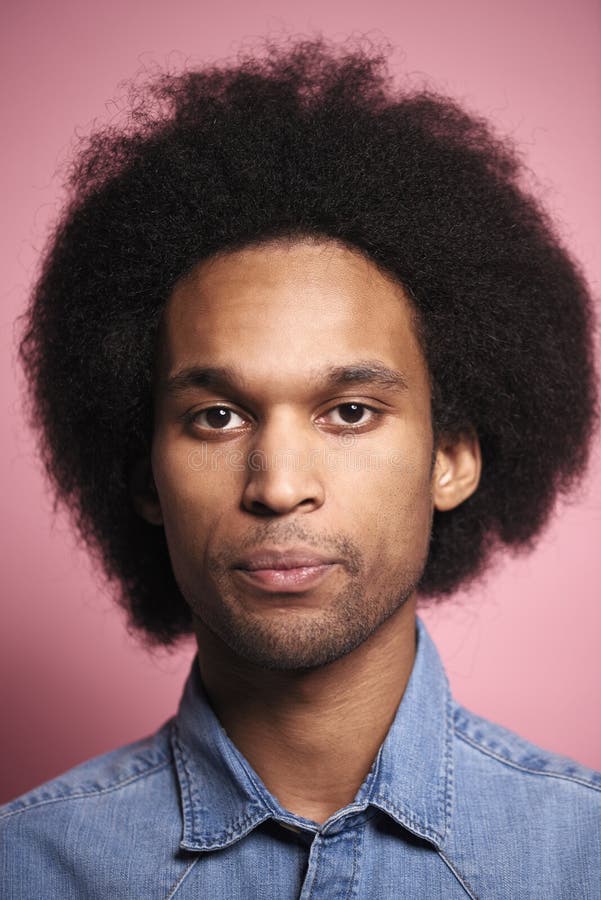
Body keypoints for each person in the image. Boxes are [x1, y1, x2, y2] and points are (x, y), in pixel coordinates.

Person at [1, 35, 599, 899]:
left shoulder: (579, 860)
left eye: (349, 412)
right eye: (216, 417)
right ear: (143, 479)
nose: (278, 485)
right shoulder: (31, 867)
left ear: (453, 457)